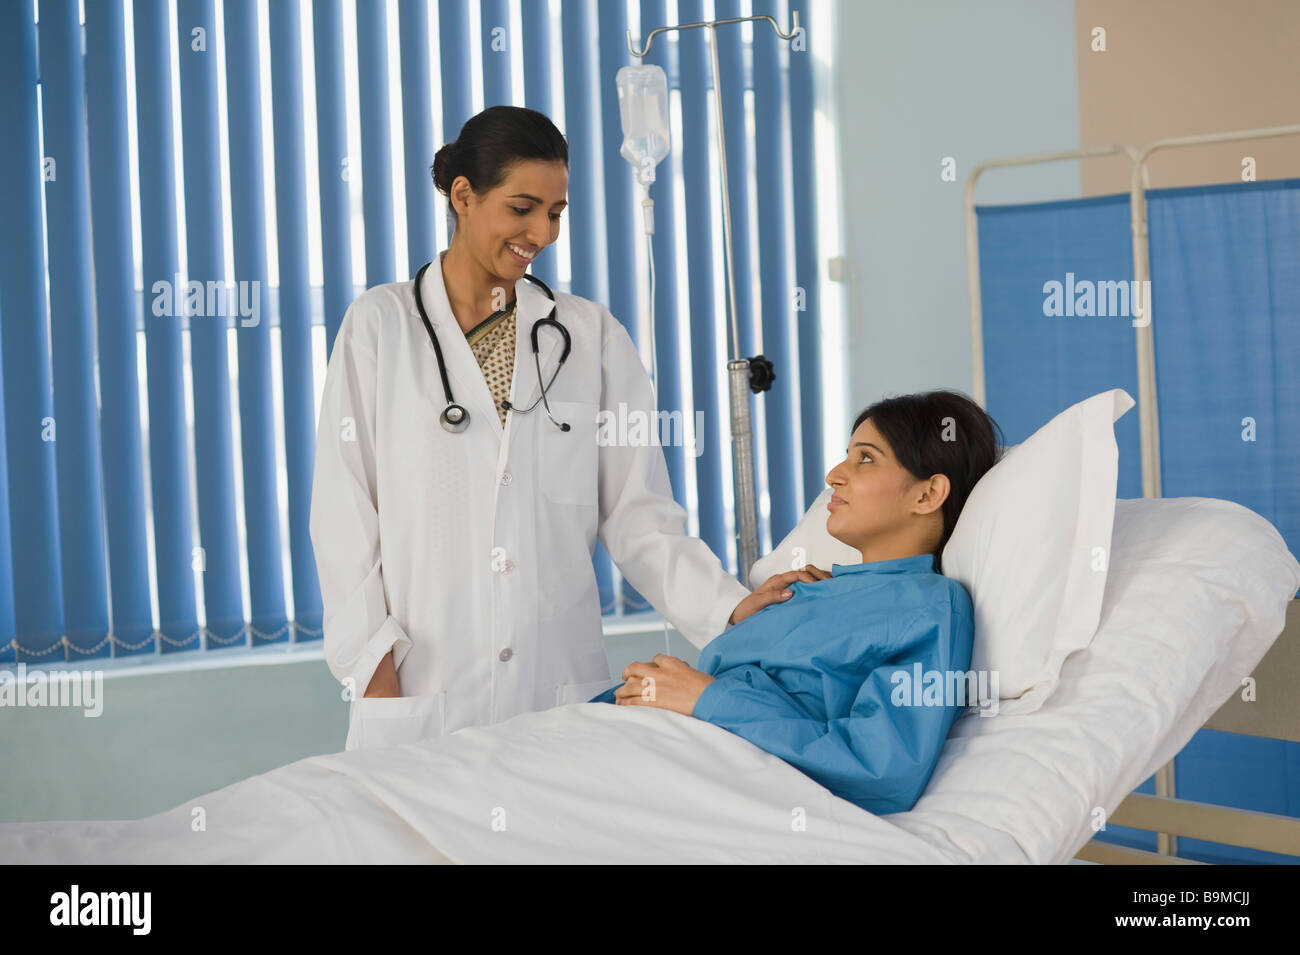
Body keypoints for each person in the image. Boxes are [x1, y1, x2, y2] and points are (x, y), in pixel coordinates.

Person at [309, 106, 787, 751]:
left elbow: (637, 515)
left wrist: (729, 608)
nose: (542, 232)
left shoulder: (589, 337)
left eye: (556, 213)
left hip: (556, 687)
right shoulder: (381, 326)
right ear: (463, 196)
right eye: (522, 208)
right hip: (421, 687)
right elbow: (343, 512)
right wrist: (373, 671)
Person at [590, 390, 1004, 814]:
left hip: (696, 772)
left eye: (865, 458)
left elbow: (881, 772)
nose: (834, 475)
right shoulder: (806, 590)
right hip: (629, 738)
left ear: (928, 494)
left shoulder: (930, 607)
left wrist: (706, 698)